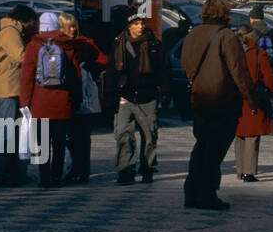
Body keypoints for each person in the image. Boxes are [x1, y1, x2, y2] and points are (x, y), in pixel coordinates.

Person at [180, 0, 258, 210]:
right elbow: (239, 72)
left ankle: (191, 192)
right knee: (214, 152)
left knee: (201, 146)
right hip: (222, 101)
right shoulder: (226, 36)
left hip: (199, 99)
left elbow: (185, 63)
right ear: (225, 14)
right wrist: (252, 101)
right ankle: (207, 194)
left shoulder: (193, 34)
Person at [19, 11, 107, 188]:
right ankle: (56, 177)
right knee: (59, 144)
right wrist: (75, 99)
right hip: (63, 102)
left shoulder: (34, 45)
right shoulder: (68, 44)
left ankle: (44, 179)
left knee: (43, 144)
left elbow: (27, 76)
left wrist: (25, 103)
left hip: (40, 103)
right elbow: (75, 76)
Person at [106, 13, 164, 184]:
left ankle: (148, 169)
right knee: (124, 134)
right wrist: (110, 96)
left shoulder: (154, 44)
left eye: (142, 23)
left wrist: (164, 91)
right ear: (129, 26)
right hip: (125, 96)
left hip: (148, 96)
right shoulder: (119, 44)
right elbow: (111, 72)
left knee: (150, 135)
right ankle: (125, 171)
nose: (141, 27)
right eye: (136, 23)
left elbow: (163, 69)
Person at [0, 4, 38, 187]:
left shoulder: (12, 31)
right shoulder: (10, 32)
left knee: (17, 132)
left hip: (13, 88)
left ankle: (12, 172)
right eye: (32, 22)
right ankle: (0, 173)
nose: (32, 26)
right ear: (24, 20)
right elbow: (21, 56)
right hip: (8, 88)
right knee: (5, 130)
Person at [65, 15, 107, 185]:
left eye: (74, 26)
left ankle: (79, 171)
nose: (72, 29)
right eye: (69, 26)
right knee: (78, 138)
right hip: (77, 98)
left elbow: (104, 61)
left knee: (77, 137)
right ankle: (80, 171)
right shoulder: (84, 43)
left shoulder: (85, 44)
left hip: (82, 98)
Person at [233, 24, 273, 181]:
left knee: (239, 135)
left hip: (236, 98)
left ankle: (239, 169)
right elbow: (268, 76)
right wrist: (270, 94)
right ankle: (249, 172)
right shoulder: (259, 54)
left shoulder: (233, 52)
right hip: (254, 98)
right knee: (252, 136)